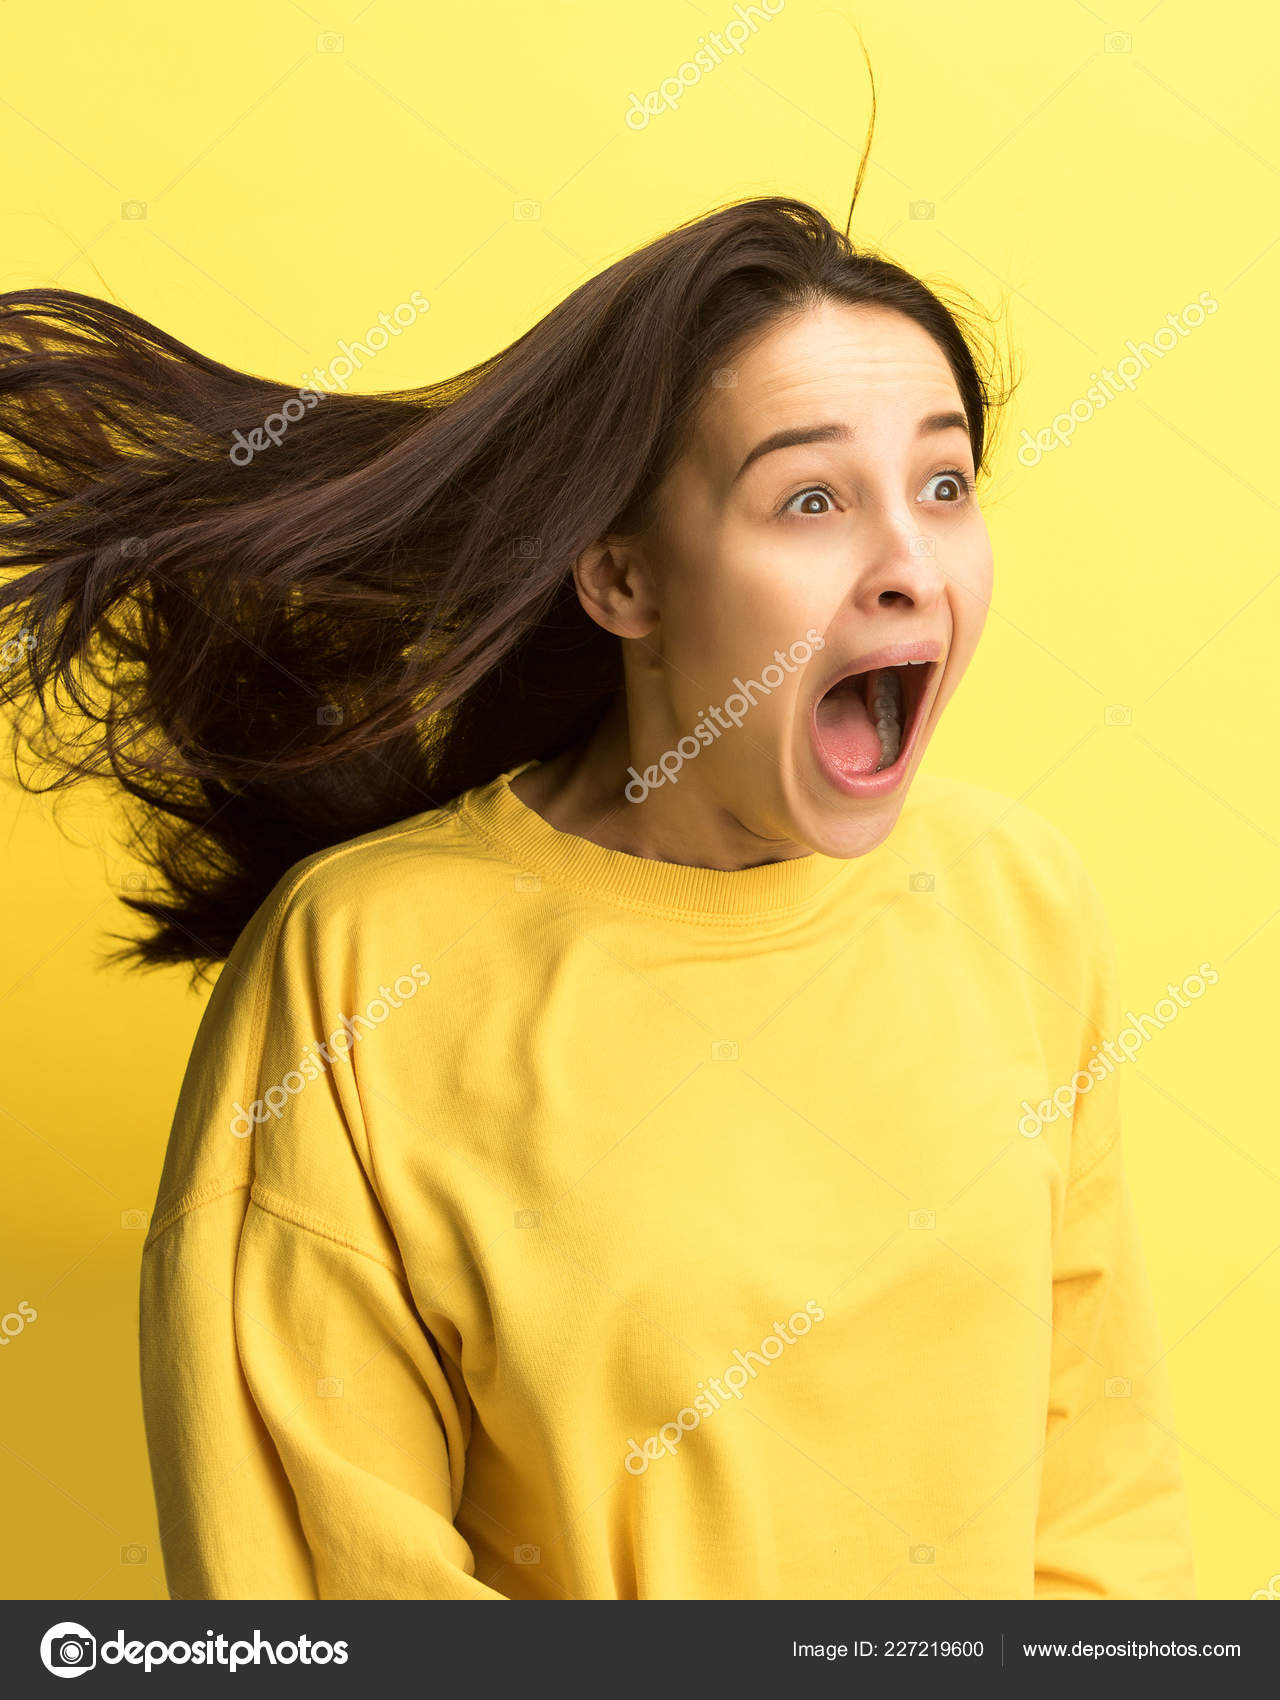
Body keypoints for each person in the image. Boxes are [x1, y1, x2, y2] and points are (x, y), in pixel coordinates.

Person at [0, 190, 1196, 1601]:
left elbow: (1101, 1500)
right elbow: (324, 1584)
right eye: (811, 499)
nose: (910, 569)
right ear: (623, 578)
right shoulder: (361, 959)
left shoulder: (1019, 901)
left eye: (943, 486)